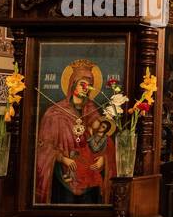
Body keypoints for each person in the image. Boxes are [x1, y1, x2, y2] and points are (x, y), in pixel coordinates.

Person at [35, 60, 115, 205]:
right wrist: (62, 158)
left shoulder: (93, 112)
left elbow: (104, 139)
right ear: (73, 84)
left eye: (89, 85)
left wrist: (103, 157)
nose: (86, 88)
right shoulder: (54, 113)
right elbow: (44, 146)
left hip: (89, 175)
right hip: (64, 175)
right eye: (82, 84)